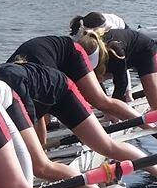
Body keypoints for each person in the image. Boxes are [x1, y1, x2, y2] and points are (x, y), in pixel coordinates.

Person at [0, 56, 157, 188]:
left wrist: (33, 158)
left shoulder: (8, 79)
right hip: (42, 99)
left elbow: (32, 119)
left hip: (63, 93)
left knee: (105, 146)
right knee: (37, 161)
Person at [8, 31, 141, 124]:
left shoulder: (75, 58)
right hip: (38, 57)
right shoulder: (7, 82)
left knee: (102, 102)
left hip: (61, 55)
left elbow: (38, 115)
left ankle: (144, 122)